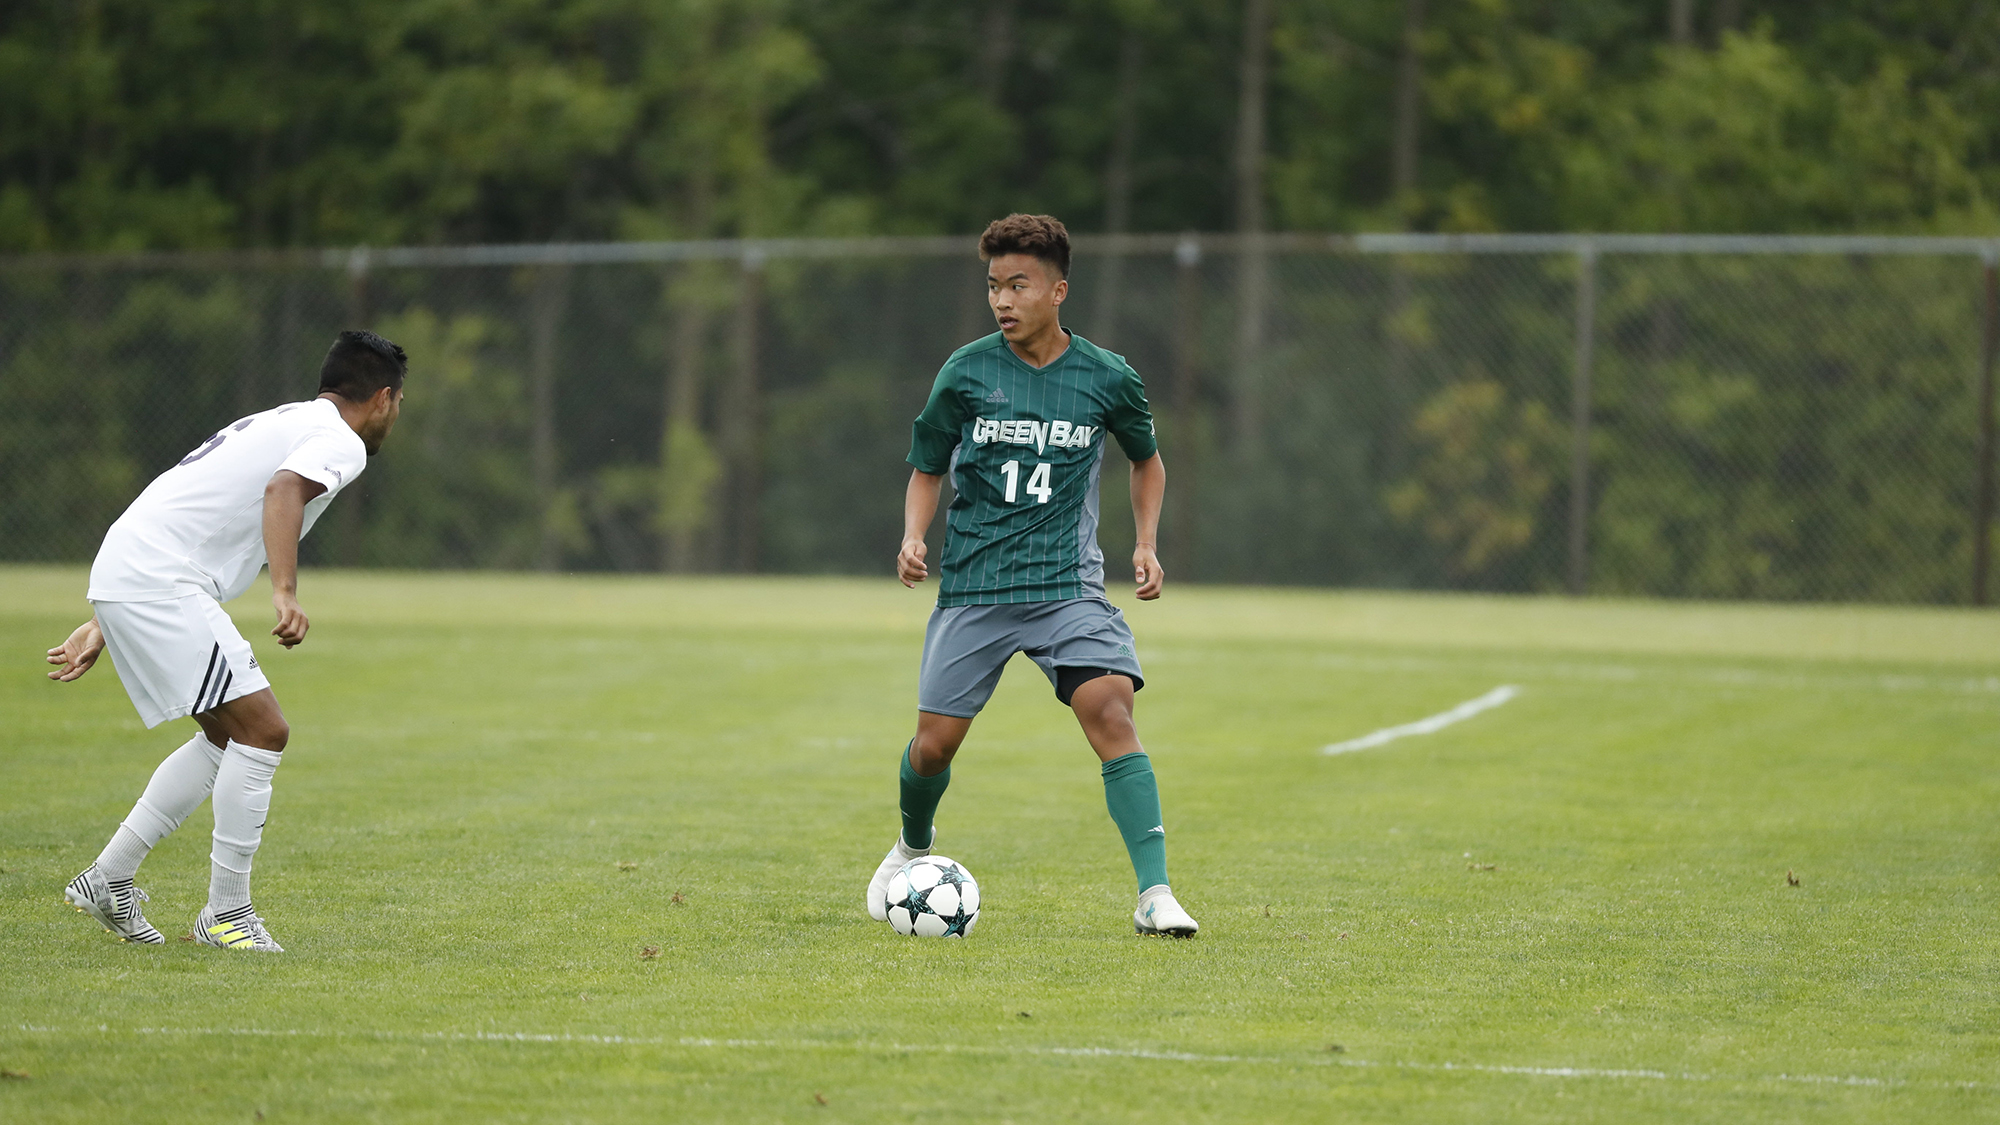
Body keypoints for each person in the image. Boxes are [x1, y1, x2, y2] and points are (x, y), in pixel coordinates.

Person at [865, 214, 1199, 937]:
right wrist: (913, 535)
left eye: (1018, 285)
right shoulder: (966, 371)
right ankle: (911, 845)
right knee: (934, 746)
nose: (1003, 300)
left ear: (1058, 290)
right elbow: (927, 466)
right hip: (977, 589)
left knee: (1110, 709)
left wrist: (1145, 543)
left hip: (1066, 588)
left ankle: (1156, 894)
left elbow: (1148, 460)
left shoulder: (1108, 377)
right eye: (993, 286)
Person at [47, 330, 406, 952]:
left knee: (226, 734)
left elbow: (198, 506)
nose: (395, 416)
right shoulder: (338, 441)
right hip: (157, 580)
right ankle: (227, 916)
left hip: (135, 572)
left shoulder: (285, 420)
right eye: (398, 404)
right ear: (381, 398)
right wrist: (286, 593)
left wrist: (108, 615)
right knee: (264, 730)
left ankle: (109, 877)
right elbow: (282, 491)